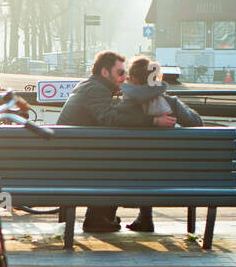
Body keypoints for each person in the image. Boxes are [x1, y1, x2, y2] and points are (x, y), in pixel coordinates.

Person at [57, 50, 176, 233]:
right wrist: (152, 121)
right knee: (118, 165)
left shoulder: (91, 86)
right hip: (73, 160)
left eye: (125, 74)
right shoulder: (96, 89)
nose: (123, 77)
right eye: (120, 73)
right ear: (105, 72)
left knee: (115, 160)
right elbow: (110, 119)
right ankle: (99, 219)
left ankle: (101, 217)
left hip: (70, 155)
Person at [115, 56, 205, 231]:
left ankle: (143, 217)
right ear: (156, 78)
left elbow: (114, 122)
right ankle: (145, 217)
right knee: (150, 164)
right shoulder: (170, 103)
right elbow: (197, 123)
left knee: (141, 164)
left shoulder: (124, 107)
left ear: (133, 79)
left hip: (128, 174)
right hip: (170, 173)